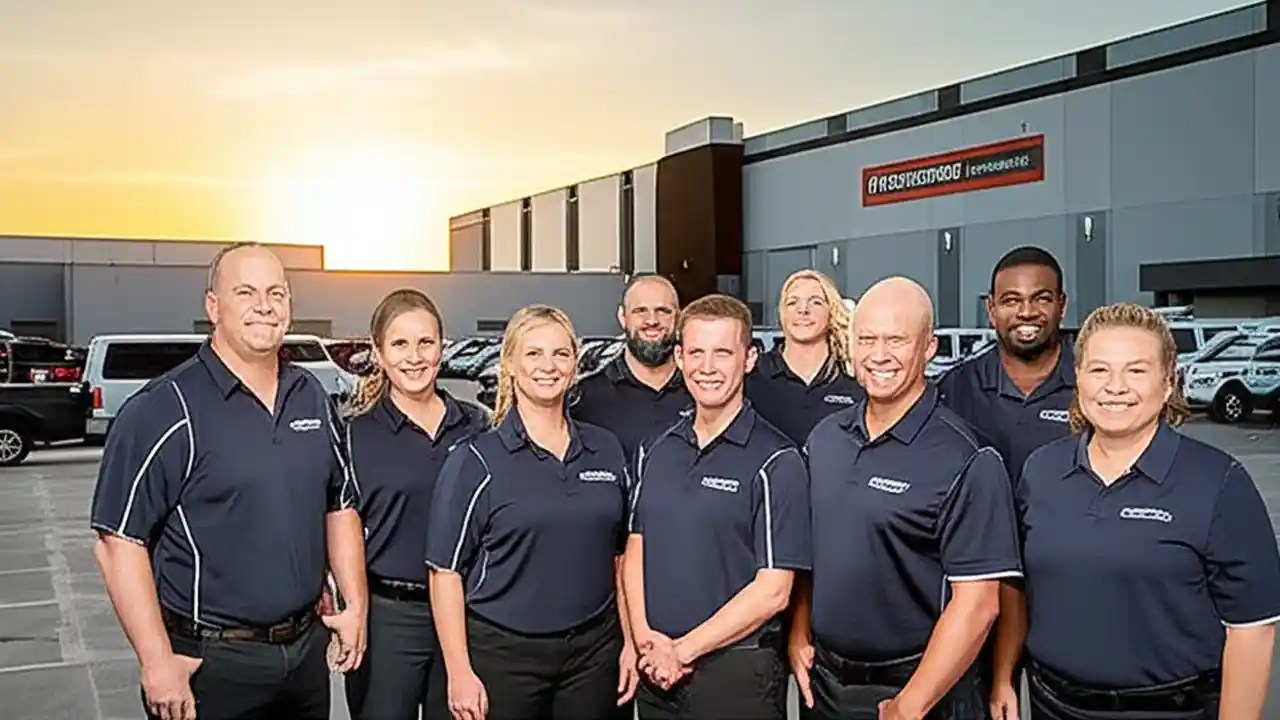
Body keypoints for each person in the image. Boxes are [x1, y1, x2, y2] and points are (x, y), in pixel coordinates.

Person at [89, 242, 368, 720]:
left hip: (304, 657)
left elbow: (338, 506)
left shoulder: (312, 398)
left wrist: (355, 605)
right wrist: (156, 661)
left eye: (276, 293)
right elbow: (119, 542)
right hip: (210, 664)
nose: (265, 305)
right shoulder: (163, 409)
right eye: (246, 292)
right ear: (213, 306)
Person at [991, 302, 1280, 720]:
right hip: (1052, 705)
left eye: (1136, 370)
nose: (1115, 386)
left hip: (1168, 711)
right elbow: (1016, 588)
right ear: (1079, 380)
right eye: (1100, 370)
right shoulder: (1040, 471)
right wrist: (1004, 676)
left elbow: (1252, 631)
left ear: (1167, 384)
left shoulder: (1219, 483)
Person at [792, 276, 1022, 720]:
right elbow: (807, 554)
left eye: (896, 340)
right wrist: (798, 635)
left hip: (920, 690)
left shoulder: (968, 458)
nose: (879, 356)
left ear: (929, 348)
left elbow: (978, 604)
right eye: (867, 339)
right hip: (825, 688)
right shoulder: (825, 440)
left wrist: (910, 704)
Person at [425, 304, 637, 720]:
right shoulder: (475, 461)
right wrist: (459, 671)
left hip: (593, 654)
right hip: (503, 656)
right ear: (509, 364)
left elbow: (620, 558)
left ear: (575, 364)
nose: (548, 366)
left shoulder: (606, 449)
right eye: (534, 353)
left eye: (560, 354)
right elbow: (444, 573)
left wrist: (629, 642)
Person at [624, 293, 811, 720]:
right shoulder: (656, 448)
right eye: (696, 352)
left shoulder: (777, 461)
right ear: (679, 357)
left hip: (737, 675)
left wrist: (682, 651)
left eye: (722, 353)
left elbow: (774, 590)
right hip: (657, 671)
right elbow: (636, 547)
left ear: (749, 358)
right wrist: (646, 641)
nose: (707, 367)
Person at [341, 289, 489, 720]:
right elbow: (335, 526)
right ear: (379, 353)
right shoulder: (355, 435)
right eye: (400, 344)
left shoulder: (478, 425)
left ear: (442, 346)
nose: (414, 356)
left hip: (469, 617)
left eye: (425, 342)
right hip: (389, 621)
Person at [937, 246, 1074, 479]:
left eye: (1041, 299)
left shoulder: (1095, 384)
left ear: (1061, 306)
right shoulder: (956, 389)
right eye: (1011, 301)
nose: (1027, 312)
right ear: (991, 309)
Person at [571, 273, 692, 461]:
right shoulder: (585, 393)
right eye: (640, 311)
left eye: (663, 311)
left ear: (678, 317)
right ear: (623, 317)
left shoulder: (702, 387)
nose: (652, 320)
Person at [745, 268, 864, 446]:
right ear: (781, 313)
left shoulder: (853, 379)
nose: (803, 310)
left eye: (815, 302)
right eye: (792, 303)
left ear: (832, 311)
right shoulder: (754, 375)